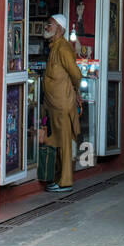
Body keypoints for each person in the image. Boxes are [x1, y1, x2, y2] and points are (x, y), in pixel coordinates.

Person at [42, 14, 82, 194]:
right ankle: (58, 178)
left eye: (50, 24)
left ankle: (65, 182)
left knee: (64, 144)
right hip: (54, 105)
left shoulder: (64, 48)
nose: (46, 27)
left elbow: (76, 75)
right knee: (57, 143)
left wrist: (74, 91)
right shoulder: (54, 47)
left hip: (62, 104)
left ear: (60, 28)